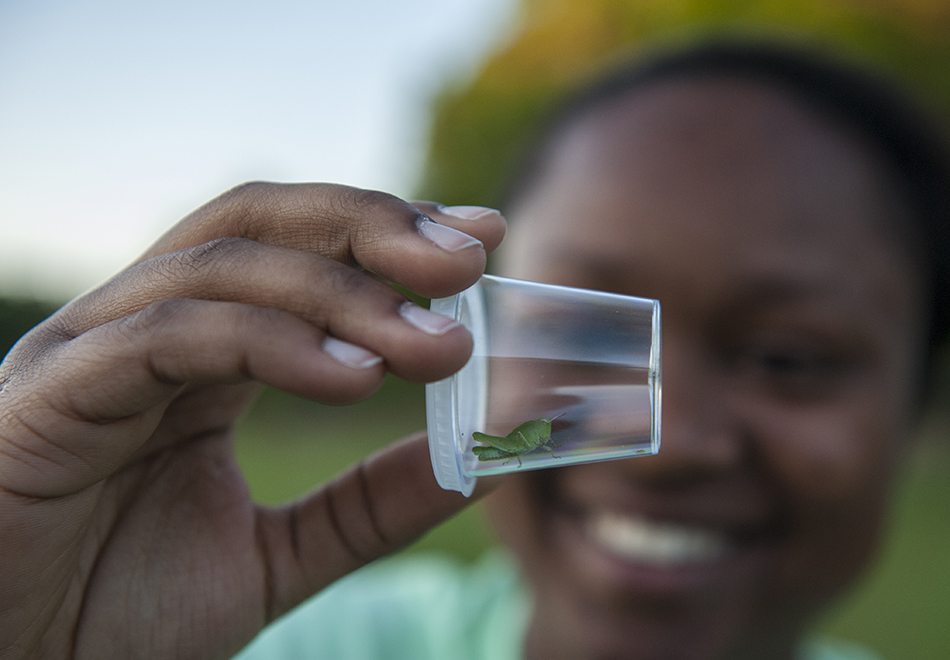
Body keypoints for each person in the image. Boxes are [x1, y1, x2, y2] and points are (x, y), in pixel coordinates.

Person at [1, 37, 947, 660]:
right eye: (579, 328)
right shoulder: (288, 644)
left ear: (918, 402)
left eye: (789, 358)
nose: (673, 438)